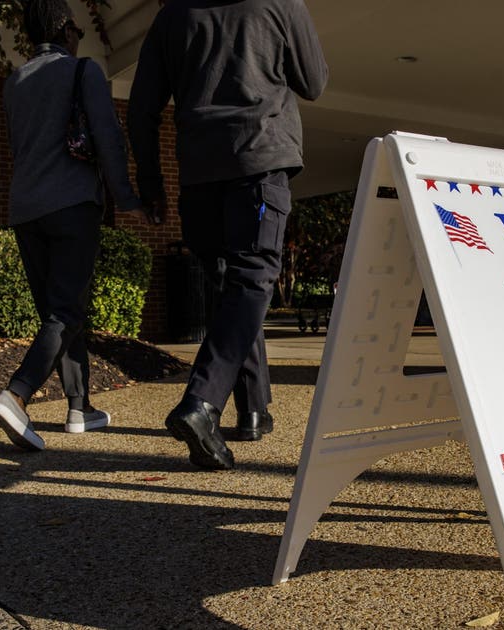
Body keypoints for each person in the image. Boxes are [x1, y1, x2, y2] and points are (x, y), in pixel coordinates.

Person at [128, 0, 328, 469]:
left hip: (198, 176)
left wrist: (152, 185)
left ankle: (253, 408)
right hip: (257, 160)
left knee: (231, 287)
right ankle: (201, 402)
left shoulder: (172, 15)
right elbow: (314, 82)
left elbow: (141, 109)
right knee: (251, 281)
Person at [0, 0, 145, 451]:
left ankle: (79, 407)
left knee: (59, 312)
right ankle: (16, 394)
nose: (79, 36)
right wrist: (128, 198)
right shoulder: (84, 72)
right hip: (72, 204)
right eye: (76, 28)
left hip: (25, 209)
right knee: (67, 311)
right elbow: (109, 141)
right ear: (64, 30)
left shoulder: (14, 82)